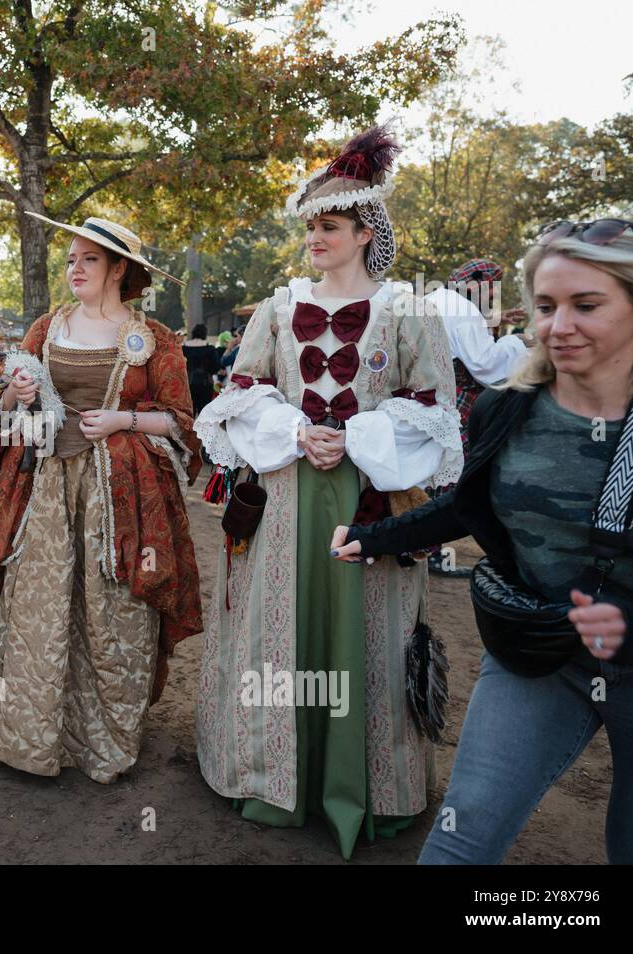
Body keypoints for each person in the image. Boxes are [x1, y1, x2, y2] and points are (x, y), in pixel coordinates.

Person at [332, 220, 633, 864]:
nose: (559, 325)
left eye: (586, 305)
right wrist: (373, 538)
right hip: (540, 655)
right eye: (545, 306)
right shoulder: (508, 407)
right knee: (459, 840)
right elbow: (471, 505)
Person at [193, 126, 463, 858]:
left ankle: (362, 787)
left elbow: (437, 410)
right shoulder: (278, 309)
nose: (315, 236)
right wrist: (295, 428)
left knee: (364, 632)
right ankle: (278, 779)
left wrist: (357, 438)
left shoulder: (410, 310)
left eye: (331, 225)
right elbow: (240, 390)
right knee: (284, 629)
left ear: (365, 232)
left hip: (370, 498)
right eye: (311, 224)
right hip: (286, 493)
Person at [0, 213, 204, 783]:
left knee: (111, 611)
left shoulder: (154, 339)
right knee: (42, 607)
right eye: (71, 259)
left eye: (89, 260)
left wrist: (124, 418)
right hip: (49, 486)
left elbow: (182, 423)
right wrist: (18, 390)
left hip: (119, 492)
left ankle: (105, 742)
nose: (75, 268)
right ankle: (33, 737)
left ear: (118, 269)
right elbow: (2, 410)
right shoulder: (46, 327)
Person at [424, 259, 529, 442]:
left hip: (424, 399)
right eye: (492, 290)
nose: (493, 297)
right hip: (453, 405)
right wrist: (519, 342)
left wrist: (495, 319)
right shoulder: (464, 309)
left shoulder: (435, 297)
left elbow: (454, 331)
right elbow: (485, 364)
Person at [182, 323, 222, 416]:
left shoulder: (183, 348)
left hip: (188, 383)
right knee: (204, 413)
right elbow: (215, 367)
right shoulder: (210, 349)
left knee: (189, 412)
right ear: (205, 334)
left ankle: (189, 429)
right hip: (205, 383)